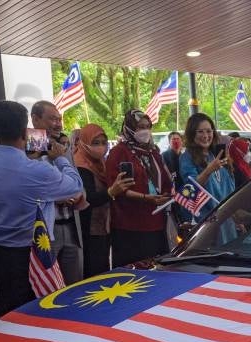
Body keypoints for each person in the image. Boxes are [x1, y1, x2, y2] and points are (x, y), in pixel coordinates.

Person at [0, 100, 83, 318]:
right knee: (35, 306)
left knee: (5, 303)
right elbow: (74, 188)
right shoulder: (35, 169)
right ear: (25, 130)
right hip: (30, 252)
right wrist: (60, 159)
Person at [105, 110, 173, 267]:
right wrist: (146, 198)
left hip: (157, 222)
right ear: (129, 128)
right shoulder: (119, 152)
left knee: (156, 271)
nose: (145, 131)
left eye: (148, 126)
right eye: (140, 127)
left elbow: (166, 180)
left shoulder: (153, 152)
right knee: (134, 275)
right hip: (130, 226)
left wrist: (168, 194)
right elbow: (118, 188)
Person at [31, 101, 83, 284]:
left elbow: (76, 182)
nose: (58, 123)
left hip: (71, 226)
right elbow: (32, 187)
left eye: (59, 119)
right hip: (45, 230)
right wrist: (56, 198)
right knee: (49, 286)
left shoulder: (63, 145)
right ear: (35, 119)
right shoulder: (28, 147)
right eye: (52, 119)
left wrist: (75, 196)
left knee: (73, 285)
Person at [73, 123, 134, 277]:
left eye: (103, 143)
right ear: (83, 142)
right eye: (95, 143)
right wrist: (111, 191)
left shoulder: (101, 164)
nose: (101, 147)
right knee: (94, 271)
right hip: (88, 228)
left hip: (103, 226)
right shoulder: (80, 165)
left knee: (103, 268)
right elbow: (88, 199)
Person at [179, 113, 235, 233]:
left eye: (209, 131)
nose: (205, 136)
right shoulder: (187, 157)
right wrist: (209, 170)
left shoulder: (214, 155)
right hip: (206, 224)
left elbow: (229, 189)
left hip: (226, 220)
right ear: (192, 133)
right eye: (200, 131)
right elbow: (191, 188)